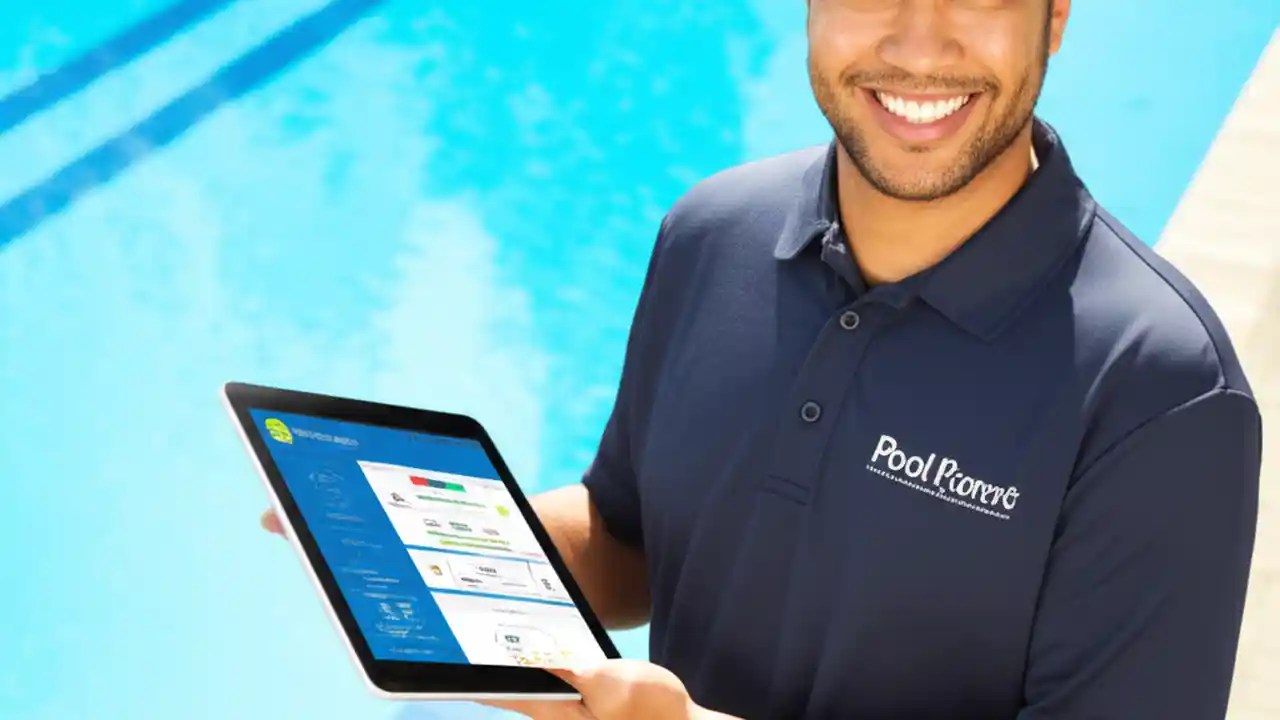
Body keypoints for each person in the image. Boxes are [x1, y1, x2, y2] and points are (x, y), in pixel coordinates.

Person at [264, 1, 1264, 718]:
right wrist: (444, 552)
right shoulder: (714, 234)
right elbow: (636, 542)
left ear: (1056, 15)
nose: (919, 42)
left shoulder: (1159, 391)